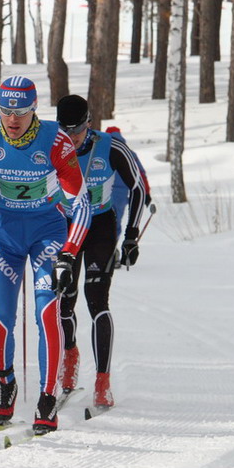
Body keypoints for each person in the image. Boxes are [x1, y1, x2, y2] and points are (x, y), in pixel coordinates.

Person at [0, 76, 91, 435]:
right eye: (5, 110)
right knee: (1, 317)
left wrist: (69, 254)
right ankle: (6, 382)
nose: (12, 119)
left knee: (47, 313)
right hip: (5, 234)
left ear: (34, 110)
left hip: (47, 232)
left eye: (21, 112)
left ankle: (47, 396)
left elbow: (81, 203)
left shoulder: (56, 141)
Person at [55, 96, 146, 410]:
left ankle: (102, 380)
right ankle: (70, 355)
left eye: (77, 130)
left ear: (89, 123)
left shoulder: (110, 147)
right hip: (65, 228)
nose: (72, 137)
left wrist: (131, 236)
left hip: (100, 227)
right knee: (63, 301)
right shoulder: (50, 145)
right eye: (65, 130)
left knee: (97, 300)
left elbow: (137, 187)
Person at [105, 126, 152, 240]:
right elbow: (141, 174)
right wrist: (146, 193)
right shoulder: (129, 153)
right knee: (116, 220)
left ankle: (103, 245)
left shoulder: (101, 151)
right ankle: (113, 245)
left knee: (102, 220)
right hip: (122, 193)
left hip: (103, 190)